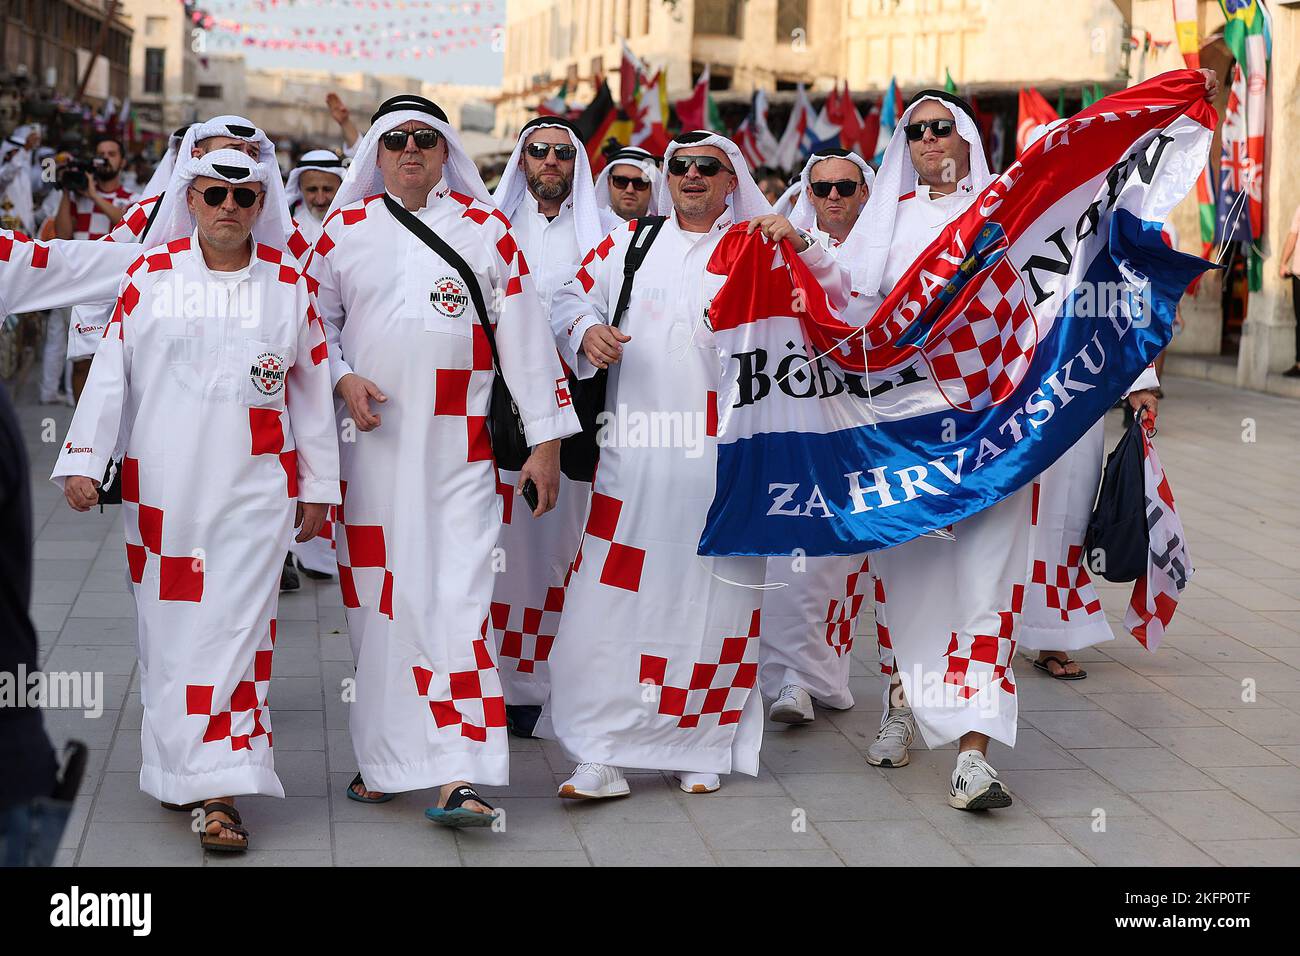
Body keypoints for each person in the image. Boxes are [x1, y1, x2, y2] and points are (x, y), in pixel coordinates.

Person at [49, 147, 340, 852]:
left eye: (244, 198)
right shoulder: (148, 276)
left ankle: (221, 792)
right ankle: (180, 770)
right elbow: (111, 373)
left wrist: (319, 485)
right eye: (215, 196)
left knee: (239, 638)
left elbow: (310, 392)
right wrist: (86, 460)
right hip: (164, 500)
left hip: (254, 498)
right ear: (191, 200)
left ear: (262, 206)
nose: (229, 210)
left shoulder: (289, 287)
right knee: (172, 640)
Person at [544, 131, 845, 799]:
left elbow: (839, 296)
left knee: (715, 608)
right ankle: (602, 753)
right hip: (634, 465)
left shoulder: (753, 246)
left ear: (731, 178)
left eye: (707, 167)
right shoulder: (633, 241)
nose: (690, 177)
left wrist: (801, 241)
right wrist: (585, 332)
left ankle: (699, 746)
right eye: (679, 166)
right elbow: (568, 297)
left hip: (725, 468)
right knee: (610, 606)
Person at [305, 94, 579, 825]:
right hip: (370, 458)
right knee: (379, 610)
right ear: (378, 151)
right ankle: (389, 763)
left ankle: (460, 771)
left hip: (464, 455)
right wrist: (340, 375)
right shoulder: (343, 230)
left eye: (425, 139)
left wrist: (547, 443)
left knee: (457, 603)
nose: (410, 150)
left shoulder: (486, 229)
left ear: (445, 150)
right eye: (395, 139)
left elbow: (525, 337)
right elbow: (309, 324)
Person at [834, 90, 1028, 809]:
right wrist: (792, 250)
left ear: (968, 139)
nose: (928, 141)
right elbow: (843, 301)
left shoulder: (1007, 215)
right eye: (915, 132)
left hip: (997, 438)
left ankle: (974, 753)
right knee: (907, 581)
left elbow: (1053, 297)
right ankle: (900, 700)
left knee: (987, 584)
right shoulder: (889, 225)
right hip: (906, 439)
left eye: (941, 128)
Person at [488, 116, 608, 737]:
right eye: (538, 152)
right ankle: (503, 684)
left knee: (564, 547)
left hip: (581, 412)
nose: (551, 162)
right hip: (499, 409)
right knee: (503, 549)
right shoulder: (491, 229)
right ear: (523, 161)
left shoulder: (605, 234)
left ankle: (556, 682)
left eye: (563, 153)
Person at [748, 146, 874, 726]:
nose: (831, 199)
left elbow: (853, 299)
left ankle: (826, 678)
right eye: (820, 188)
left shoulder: (886, 253)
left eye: (844, 188)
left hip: (862, 426)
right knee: (790, 558)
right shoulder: (779, 249)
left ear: (864, 194)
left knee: (838, 563)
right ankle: (788, 682)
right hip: (794, 420)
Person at [284, 149, 346, 582]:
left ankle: (319, 551)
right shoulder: (279, 226)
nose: (321, 197)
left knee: (328, 450)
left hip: (339, 357)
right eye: (312, 189)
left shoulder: (354, 228)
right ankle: (283, 550)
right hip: (289, 352)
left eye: (328, 188)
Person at [52, 135, 137, 403]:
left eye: (112, 153)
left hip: (115, 286)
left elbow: (126, 224)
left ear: (122, 161)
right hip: (81, 285)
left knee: (116, 357)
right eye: (101, 153)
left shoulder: (131, 198)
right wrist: (67, 190)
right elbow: (63, 234)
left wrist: (93, 196)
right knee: (81, 359)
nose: (105, 158)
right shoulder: (76, 196)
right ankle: (80, 423)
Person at [593, 145, 662, 222]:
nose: (630, 190)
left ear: (651, 187)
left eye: (639, 183)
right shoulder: (591, 225)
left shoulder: (665, 231)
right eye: (621, 181)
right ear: (609, 182)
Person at [1, 125, 40, 234]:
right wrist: (24, 149)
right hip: (8, 222)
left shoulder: (24, 173)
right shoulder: (3, 172)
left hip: (26, 224)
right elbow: (7, 175)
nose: (20, 154)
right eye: (16, 151)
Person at [1281, 200, 1300, 378]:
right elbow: (1293, 235)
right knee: (1299, 320)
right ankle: (1299, 363)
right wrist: (1283, 262)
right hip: (1298, 273)